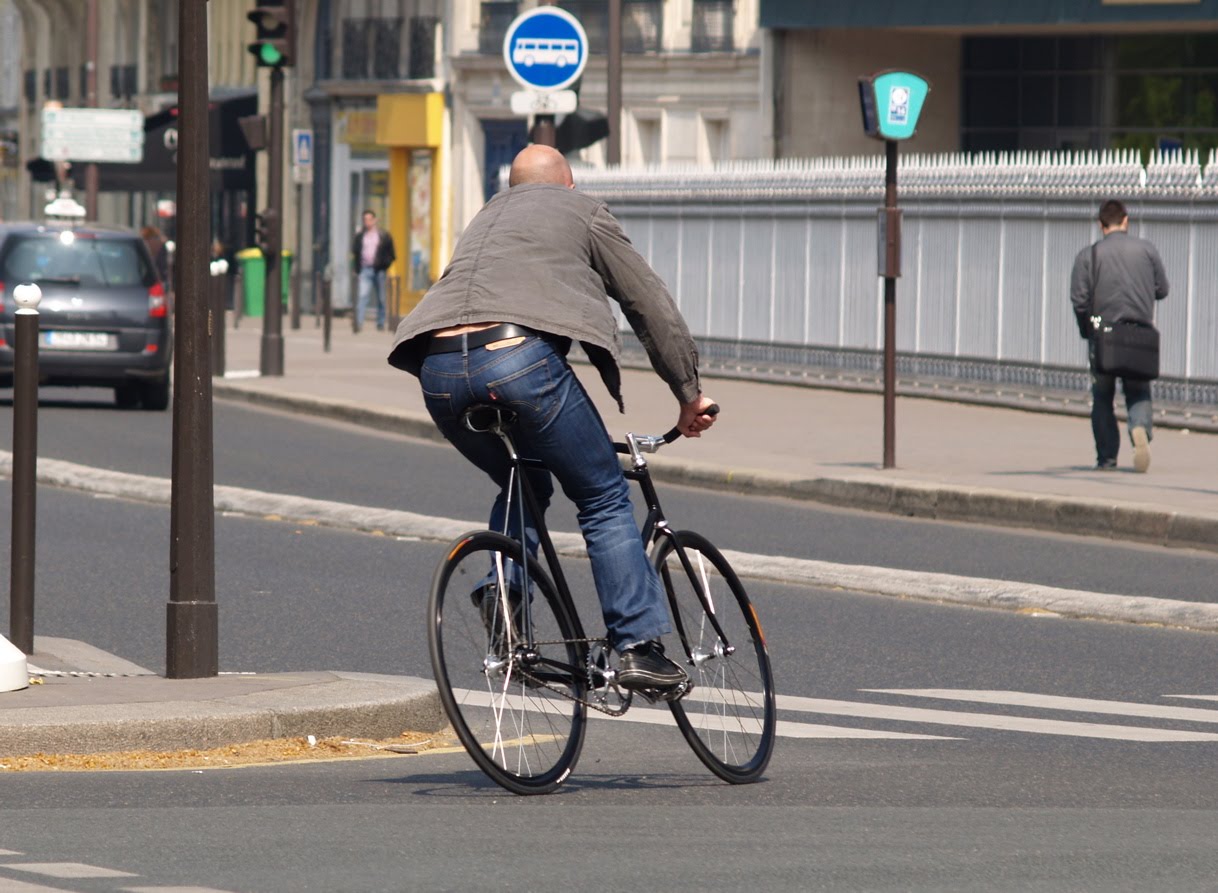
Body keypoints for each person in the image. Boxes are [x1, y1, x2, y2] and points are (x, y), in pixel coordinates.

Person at [388, 144, 717, 695]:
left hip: (437, 368)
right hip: (519, 358)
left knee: (526, 479)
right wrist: (688, 392)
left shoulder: (488, 214)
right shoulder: (583, 209)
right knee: (603, 494)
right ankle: (637, 645)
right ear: (568, 183)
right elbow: (648, 304)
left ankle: (505, 596)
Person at [1070, 199, 1169, 473]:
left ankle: (1107, 458)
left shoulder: (1089, 256)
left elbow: (1079, 300)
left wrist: (1087, 331)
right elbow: (1162, 289)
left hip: (1103, 337)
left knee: (1102, 395)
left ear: (1101, 225)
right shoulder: (1147, 250)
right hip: (1139, 334)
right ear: (1126, 221)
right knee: (1138, 390)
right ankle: (1139, 429)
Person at [350, 210, 396, 333]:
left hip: (379, 270)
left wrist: (385, 265)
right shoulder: (360, 236)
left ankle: (380, 323)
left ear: (375, 220)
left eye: (370, 219)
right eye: (365, 219)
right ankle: (358, 323)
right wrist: (357, 269)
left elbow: (391, 254)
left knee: (381, 297)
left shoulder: (383, 235)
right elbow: (355, 252)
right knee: (363, 296)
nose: (367, 222)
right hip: (365, 269)